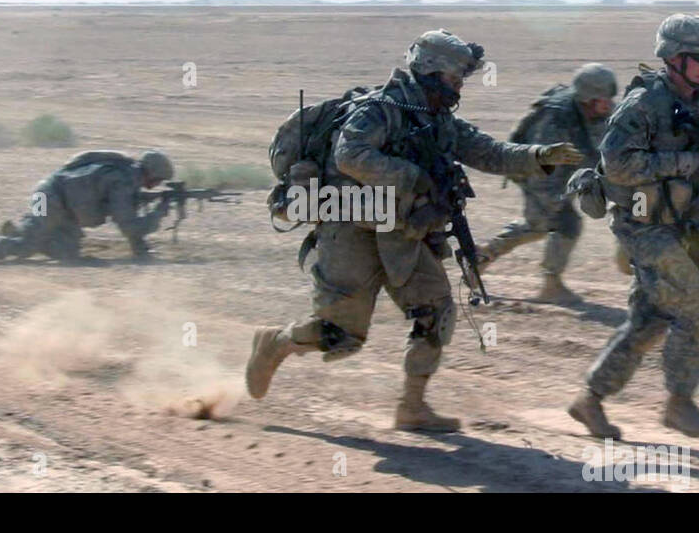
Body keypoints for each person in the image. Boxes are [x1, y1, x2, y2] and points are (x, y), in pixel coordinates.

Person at [245, 29, 586, 432]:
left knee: (435, 311)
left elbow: (487, 152)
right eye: (454, 78)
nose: (459, 87)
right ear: (430, 71)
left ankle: (411, 407)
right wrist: (414, 177)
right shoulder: (379, 110)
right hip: (350, 226)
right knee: (341, 334)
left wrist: (539, 156)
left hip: (401, 232)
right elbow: (351, 156)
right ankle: (277, 343)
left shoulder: (440, 121)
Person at [568, 14, 699, 439]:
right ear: (674, 58)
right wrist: (684, 163)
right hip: (641, 225)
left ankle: (590, 399)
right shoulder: (643, 105)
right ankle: (679, 403)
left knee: (650, 319)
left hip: (683, 221)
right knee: (693, 299)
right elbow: (616, 164)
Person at [479, 63, 618, 303]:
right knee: (564, 223)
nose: (609, 103)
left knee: (537, 226)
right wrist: (556, 204)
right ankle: (551, 285)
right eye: (603, 99)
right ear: (587, 99)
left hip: (566, 172)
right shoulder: (555, 120)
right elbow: (540, 170)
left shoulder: (597, 112)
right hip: (536, 175)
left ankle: (481, 259)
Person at [0, 150, 174, 266]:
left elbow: (123, 211)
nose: (154, 186)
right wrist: (160, 211)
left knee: (68, 255)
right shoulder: (123, 181)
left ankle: (24, 229)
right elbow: (129, 227)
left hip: (52, 198)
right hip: (52, 200)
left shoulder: (124, 173)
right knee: (26, 246)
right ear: (151, 175)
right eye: (156, 181)